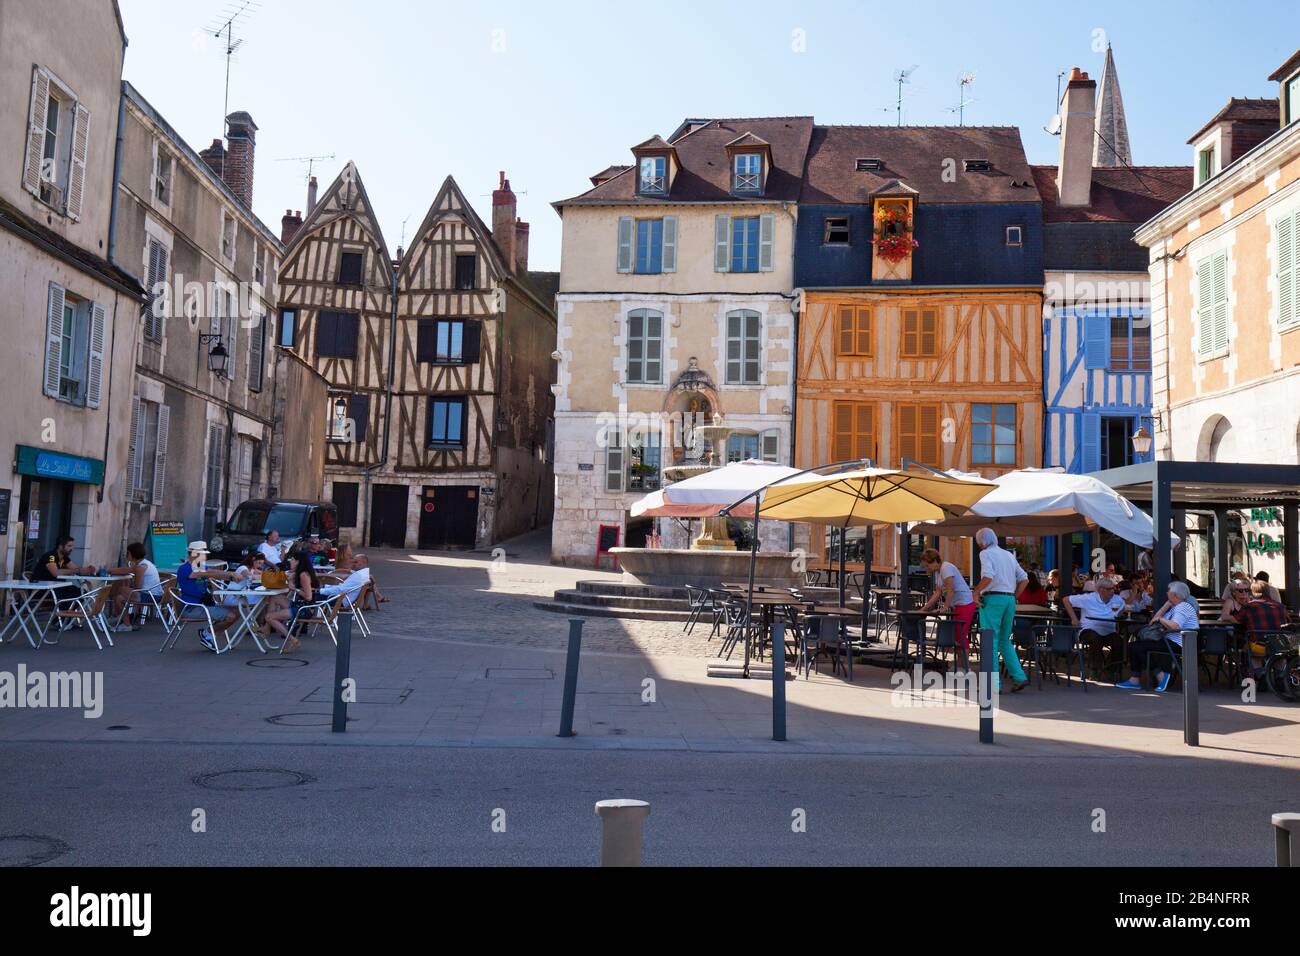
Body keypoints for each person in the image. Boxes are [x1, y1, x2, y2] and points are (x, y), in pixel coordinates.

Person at [970, 528, 1029, 693]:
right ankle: (1019, 676)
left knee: (990, 640)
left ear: (982, 542)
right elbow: (1024, 578)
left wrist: (975, 592)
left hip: (993, 598)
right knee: (1004, 640)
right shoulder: (1009, 555)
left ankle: (992, 684)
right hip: (1009, 599)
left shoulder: (986, 553)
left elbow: (988, 575)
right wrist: (1014, 596)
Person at [1116, 580, 1199, 692]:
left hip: (1179, 643)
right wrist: (1166, 605)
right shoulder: (1176, 606)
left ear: (1174, 594)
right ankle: (1139, 679)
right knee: (1135, 646)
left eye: (1168, 591)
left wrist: (1161, 619)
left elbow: (1174, 626)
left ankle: (1156, 676)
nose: (1166, 592)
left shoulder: (1182, 607)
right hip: (1172, 641)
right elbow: (1153, 621)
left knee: (1136, 647)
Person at [175, 541, 236, 652]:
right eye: (203, 554)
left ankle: (209, 634)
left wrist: (231, 574)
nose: (205, 556)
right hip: (191, 608)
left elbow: (211, 571)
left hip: (202, 605)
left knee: (236, 612)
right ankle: (208, 634)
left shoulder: (198, 566)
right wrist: (230, 575)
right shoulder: (185, 568)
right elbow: (204, 574)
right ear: (195, 554)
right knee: (231, 615)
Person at [1063, 575, 1127, 678]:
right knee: (1095, 639)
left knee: (1120, 642)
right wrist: (1074, 618)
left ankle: (1111, 668)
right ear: (1101, 590)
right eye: (1110, 589)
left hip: (1109, 631)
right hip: (1089, 629)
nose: (1113, 591)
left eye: (1113, 588)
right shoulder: (1089, 598)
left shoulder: (1117, 599)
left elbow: (1123, 607)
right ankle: (1095, 668)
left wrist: (1119, 614)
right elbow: (1066, 600)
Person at [917, 548, 977, 654]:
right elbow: (938, 592)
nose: (927, 569)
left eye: (927, 565)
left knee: (960, 635)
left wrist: (944, 607)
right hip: (957, 605)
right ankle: (960, 666)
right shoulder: (937, 572)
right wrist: (924, 608)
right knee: (957, 635)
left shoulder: (946, 568)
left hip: (965, 603)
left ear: (935, 561)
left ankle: (964, 667)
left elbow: (950, 590)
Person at [106, 542, 163, 630]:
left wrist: (130, 584)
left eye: (128, 553)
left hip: (151, 596)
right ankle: (126, 624)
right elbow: (125, 570)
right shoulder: (145, 563)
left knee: (120, 589)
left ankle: (117, 617)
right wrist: (109, 570)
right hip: (153, 594)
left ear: (133, 553)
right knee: (119, 598)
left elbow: (138, 587)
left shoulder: (140, 567)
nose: (127, 555)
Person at [32, 535, 95, 606]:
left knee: (81, 592)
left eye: (72, 546)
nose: (72, 548)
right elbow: (55, 573)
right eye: (69, 546)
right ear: (61, 546)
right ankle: (60, 615)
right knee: (73, 595)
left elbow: (76, 569)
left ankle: (66, 615)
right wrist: (77, 571)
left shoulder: (64, 558)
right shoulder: (51, 556)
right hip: (42, 590)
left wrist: (87, 570)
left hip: (55, 588)